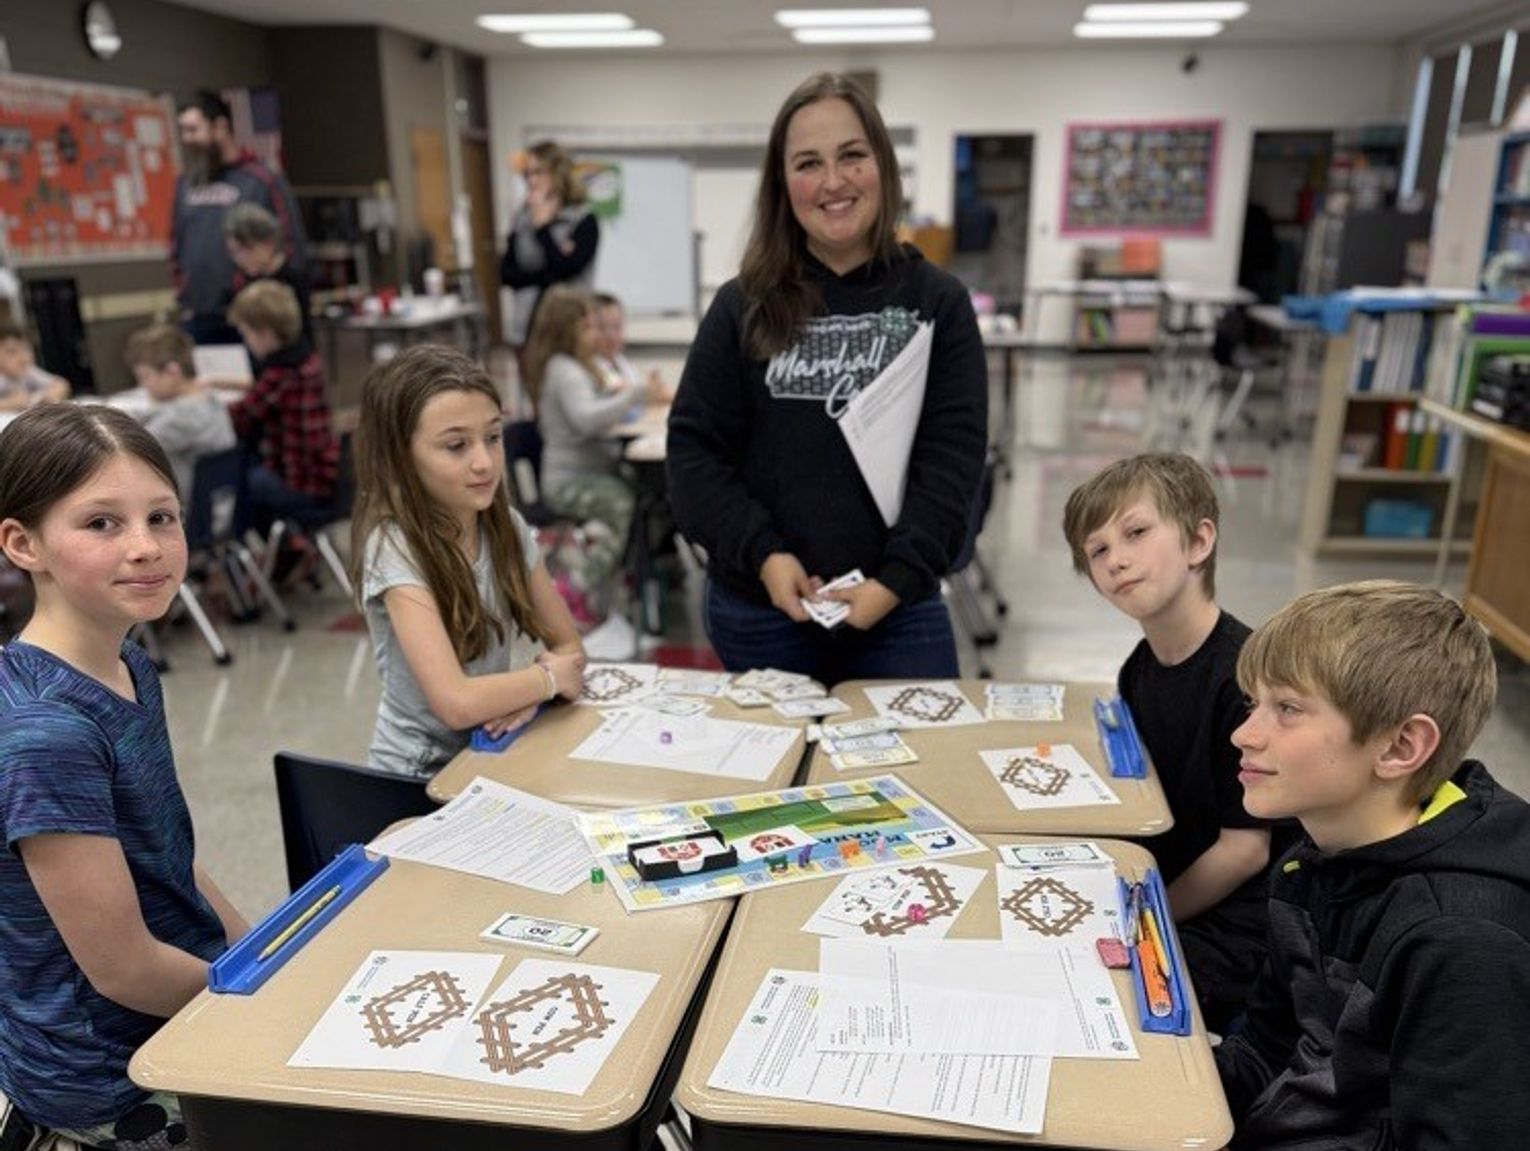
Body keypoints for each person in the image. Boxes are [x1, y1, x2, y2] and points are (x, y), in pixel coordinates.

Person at [666, 72, 987, 683]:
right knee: (774, 781)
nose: (833, 182)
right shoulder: (743, 305)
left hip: (900, 610)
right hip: (760, 609)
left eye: (852, 156)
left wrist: (894, 582)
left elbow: (953, 461)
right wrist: (763, 555)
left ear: (884, 167)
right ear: (783, 184)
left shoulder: (937, 303)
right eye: (809, 163)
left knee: (915, 777)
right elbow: (693, 455)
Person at [0, 404, 248, 1150]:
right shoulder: (46, 732)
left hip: (178, 997)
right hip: (111, 1067)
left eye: (162, 517)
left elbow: (168, 854)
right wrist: (263, 992)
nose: (146, 547)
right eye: (102, 523)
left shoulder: (127, 662)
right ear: (22, 543)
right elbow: (123, 968)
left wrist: (264, 950)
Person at [1218, 580, 1530, 1150]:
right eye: (1251, 703)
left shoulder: (1461, 941)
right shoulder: (1312, 857)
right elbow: (1267, 1050)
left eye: (1286, 709)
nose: (1244, 734)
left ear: (1400, 747)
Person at [1061, 452, 1273, 1032]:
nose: (1116, 560)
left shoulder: (1245, 678)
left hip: (1237, 917)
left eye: (1135, 532)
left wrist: (1150, 919)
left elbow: (1246, 850)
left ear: (1199, 542)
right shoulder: (1140, 668)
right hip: (1169, 877)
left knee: (1098, 1005)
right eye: (1097, 550)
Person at [349, 345, 588, 778]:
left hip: (486, 756)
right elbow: (455, 703)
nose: (484, 462)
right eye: (457, 446)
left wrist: (533, 693)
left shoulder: (506, 527)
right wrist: (546, 682)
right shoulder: (393, 547)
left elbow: (570, 650)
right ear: (402, 458)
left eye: (493, 438)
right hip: (416, 773)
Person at [528, 287, 663, 598]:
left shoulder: (578, 367)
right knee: (621, 502)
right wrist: (635, 392)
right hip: (569, 482)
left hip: (590, 472)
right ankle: (577, 586)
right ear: (567, 331)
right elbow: (587, 419)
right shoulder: (564, 370)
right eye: (587, 327)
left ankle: (633, 568)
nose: (595, 335)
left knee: (646, 497)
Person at [172, 89, 306, 345]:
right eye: (183, 131)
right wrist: (183, 290)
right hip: (200, 313)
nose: (186, 139)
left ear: (220, 127)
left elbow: (290, 245)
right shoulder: (185, 184)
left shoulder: (261, 179)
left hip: (253, 317)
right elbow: (175, 243)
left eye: (193, 130)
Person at [226, 280, 339, 536]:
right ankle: (284, 549)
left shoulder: (279, 374)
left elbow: (237, 419)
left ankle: (255, 555)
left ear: (264, 333)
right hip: (326, 476)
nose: (246, 342)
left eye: (246, 333)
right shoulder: (306, 359)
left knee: (242, 478)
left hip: (301, 484)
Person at [499, 141, 600, 367]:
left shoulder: (583, 218)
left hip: (570, 326)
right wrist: (549, 271)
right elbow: (507, 274)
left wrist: (543, 229)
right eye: (528, 174)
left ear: (558, 172)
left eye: (539, 172)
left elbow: (568, 271)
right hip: (527, 327)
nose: (532, 180)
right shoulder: (522, 218)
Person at [123, 324, 237, 498]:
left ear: (172, 372)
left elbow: (130, 446)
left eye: (145, 377)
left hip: (184, 512)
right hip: (220, 507)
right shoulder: (212, 400)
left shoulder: (176, 421)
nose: (144, 386)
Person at [223, 201, 314, 344]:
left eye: (247, 249)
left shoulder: (295, 278)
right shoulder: (238, 283)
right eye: (234, 253)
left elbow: (302, 335)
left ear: (269, 243)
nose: (240, 259)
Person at [594, 292, 667, 397]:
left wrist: (656, 387)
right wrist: (650, 388)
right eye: (602, 328)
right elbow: (619, 388)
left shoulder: (620, 361)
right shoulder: (591, 365)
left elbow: (651, 392)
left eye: (617, 327)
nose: (611, 335)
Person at [0, 318, 70, 411]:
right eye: (12, 352)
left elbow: (61, 384)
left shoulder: (27, 371)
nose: (23, 358)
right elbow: (17, 402)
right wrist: (10, 403)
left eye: (26, 349)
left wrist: (48, 397)